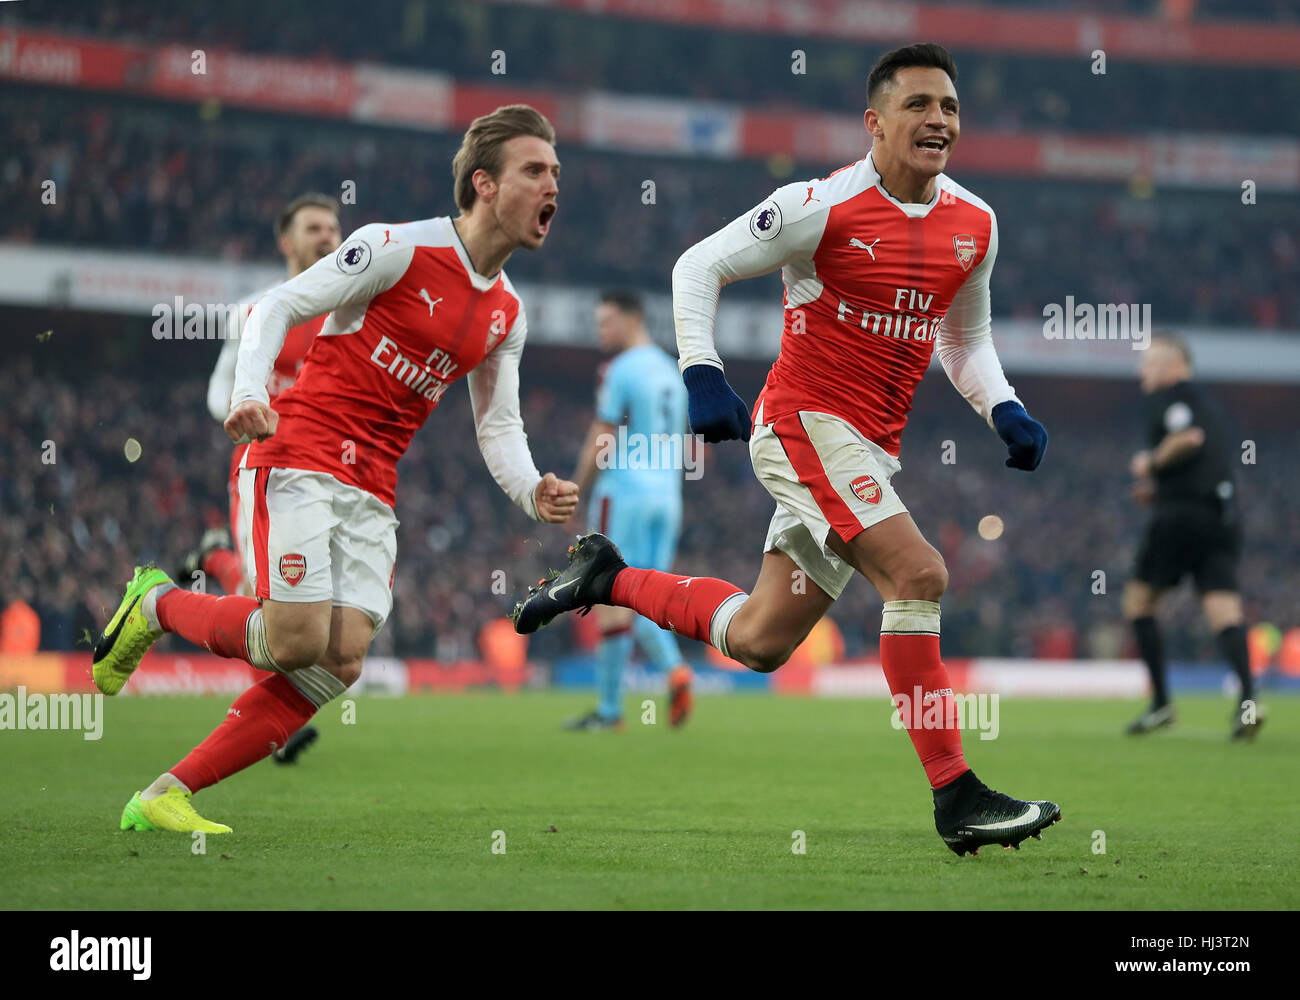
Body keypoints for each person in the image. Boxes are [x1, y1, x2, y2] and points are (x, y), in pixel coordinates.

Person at [514, 44, 1060, 856]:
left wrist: (1004, 406)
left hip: (872, 449)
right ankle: (957, 795)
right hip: (804, 423)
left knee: (763, 639)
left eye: (948, 106)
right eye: (918, 105)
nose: (938, 119)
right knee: (919, 574)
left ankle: (608, 576)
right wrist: (704, 374)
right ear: (875, 123)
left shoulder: (973, 224)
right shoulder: (820, 206)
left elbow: (964, 339)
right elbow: (698, 265)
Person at [92, 104, 578, 834]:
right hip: (301, 457)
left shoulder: (508, 312)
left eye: (556, 173)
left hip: (374, 484)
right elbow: (277, 307)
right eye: (535, 171)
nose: (553, 187)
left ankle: (165, 792)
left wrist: (530, 486)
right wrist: (251, 394)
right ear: (484, 184)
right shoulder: (395, 249)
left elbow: (499, 425)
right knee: (292, 639)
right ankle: (157, 602)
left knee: (341, 658)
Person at [189, 192, 343, 765]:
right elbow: (216, 394)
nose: (328, 236)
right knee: (270, 602)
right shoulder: (257, 311)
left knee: (309, 610)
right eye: (314, 227)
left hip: (332, 478)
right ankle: (271, 726)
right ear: (287, 241)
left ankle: (213, 557)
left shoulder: (353, 315)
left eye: (333, 227)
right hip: (264, 473)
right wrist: (251, 414)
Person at [562, 291, 692, 731]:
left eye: (607, 322)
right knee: (648, 597)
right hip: (668, 496)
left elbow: (604, 434)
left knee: (610, 594)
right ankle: (671, 672)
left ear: (633, 318)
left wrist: (577, 490)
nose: (601, 331)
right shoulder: (673, 371)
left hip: (625, 493)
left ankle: (611, 710)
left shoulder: (619, 369)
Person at [1123, 332, 1262, 740]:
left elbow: (1187, 439)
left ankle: (1161, 704)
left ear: (1173, 366)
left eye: (1149, 362)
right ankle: (1248, 701)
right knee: (1224, 610)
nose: (1141, 370)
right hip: (1221, 515)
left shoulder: (1175, 400)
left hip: (1183, 518)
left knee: (1138, 601)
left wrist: (1151, 463)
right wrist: (1163, 488)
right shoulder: (1211, 405)